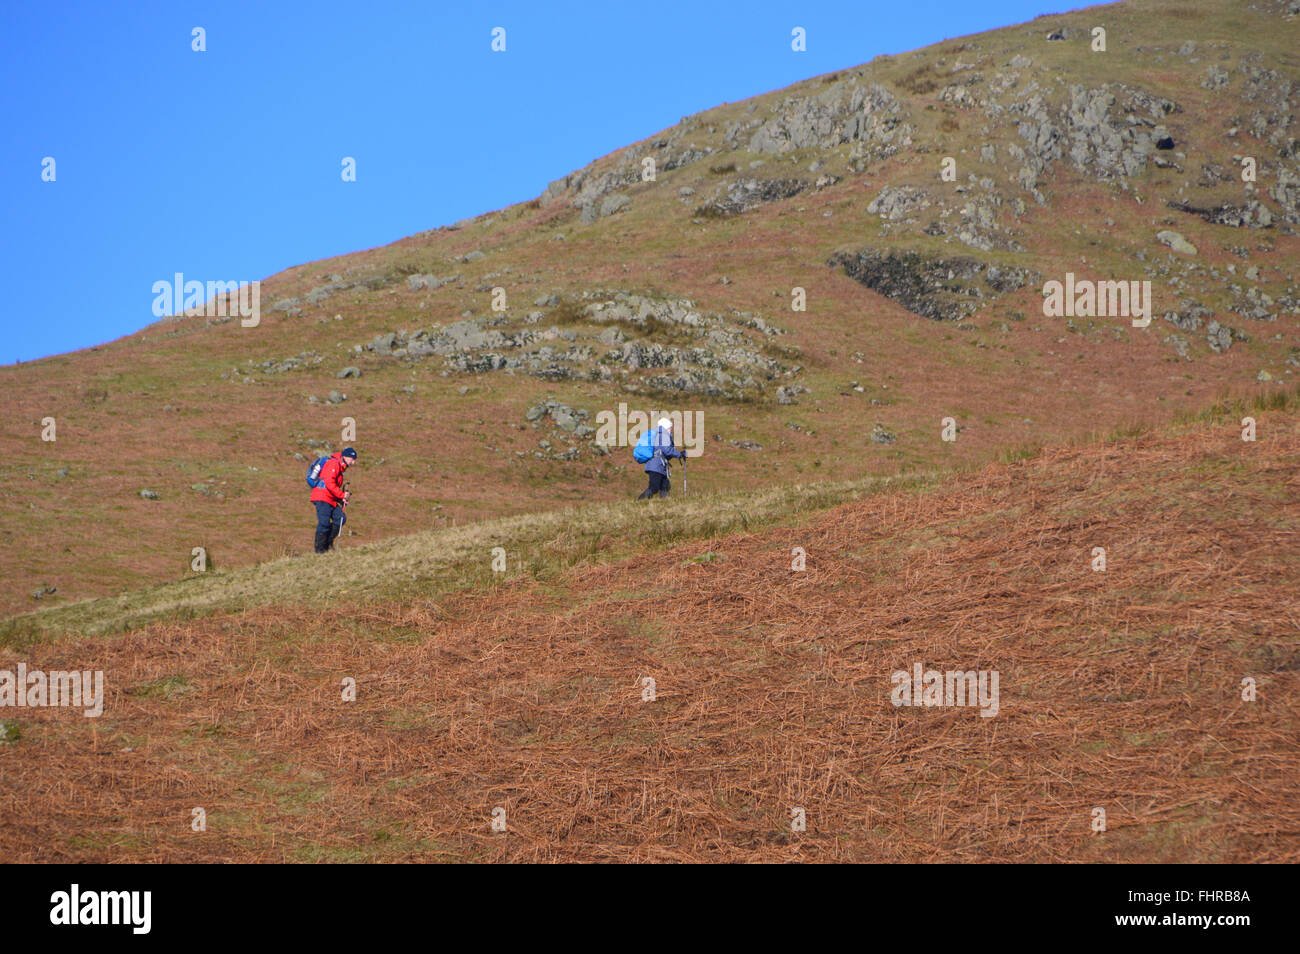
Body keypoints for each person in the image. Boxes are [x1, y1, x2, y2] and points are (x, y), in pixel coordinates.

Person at [311, 447, 357, 552]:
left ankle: (327, 543)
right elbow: (329, 483)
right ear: (345, 457)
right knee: (324, 523)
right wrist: (342, 495)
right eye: (352, 459)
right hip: (322, 498)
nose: (353, 462)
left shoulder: (340, 467)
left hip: (330, 499)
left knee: (340, 518)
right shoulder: (333, 464)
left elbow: (332, 486)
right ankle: (320, 550)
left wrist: (341, 499)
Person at [637, 418, 685, 499]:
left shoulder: (657, 433)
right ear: (666, 427)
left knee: (665, 487)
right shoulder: (663, 434)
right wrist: (679, 454)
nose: (671, 430)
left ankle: (665, 503)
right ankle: (640, 501)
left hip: (656, 465)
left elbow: (664, 452)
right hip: (656, 466)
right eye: (670, 428)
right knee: (654, 488)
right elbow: (667, 450)